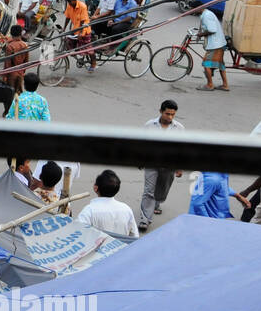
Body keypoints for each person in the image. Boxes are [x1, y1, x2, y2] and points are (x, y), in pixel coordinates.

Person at [139, 100, 185, 232]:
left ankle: (157, 203)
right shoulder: (149, 125)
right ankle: (145, 219)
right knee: (149, 191)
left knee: (162, 189)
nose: (170, 117)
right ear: (160, 111)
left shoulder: (179, 128)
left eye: (172, 114)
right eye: (167, 114)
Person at [76, 170, 140, 239]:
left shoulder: (89, 211)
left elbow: (76, 234)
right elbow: (135, 237)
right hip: (123, 249)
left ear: (95, 188)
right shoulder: (126, 209)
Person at [0, 25, 28, 117]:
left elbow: (7, 64)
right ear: (20, 34)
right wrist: (22, 72)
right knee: (19, 93)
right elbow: (26, 62)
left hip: (11, 74)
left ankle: (8, 112)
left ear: (11, 34)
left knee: (8, 95)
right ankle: (18, 112)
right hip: (20, 73)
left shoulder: (10, 47)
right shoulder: (25, 45)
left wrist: (4, 76)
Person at [197, 0, 229, 91]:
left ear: (199, 8)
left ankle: (210, 85)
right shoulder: (206, 13)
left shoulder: (207, 15)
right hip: (219, 43)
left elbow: (212, 30)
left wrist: (201, 34)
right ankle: (225, 85)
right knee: (220, 65)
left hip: (216, 44)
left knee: (206, 64)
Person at [63, 0, 94, 71]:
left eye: (70, 2)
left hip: (84, 29)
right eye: (68, 2)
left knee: (88, 48)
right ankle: (76, 53)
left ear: (74, 0)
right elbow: (67, 17)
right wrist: (64, 28)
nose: (69, 3)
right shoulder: (70, 6)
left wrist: (80, 33)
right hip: (75, 28)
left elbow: (83, 21)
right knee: (67, 41)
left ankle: (94, 63)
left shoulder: (82, 6)